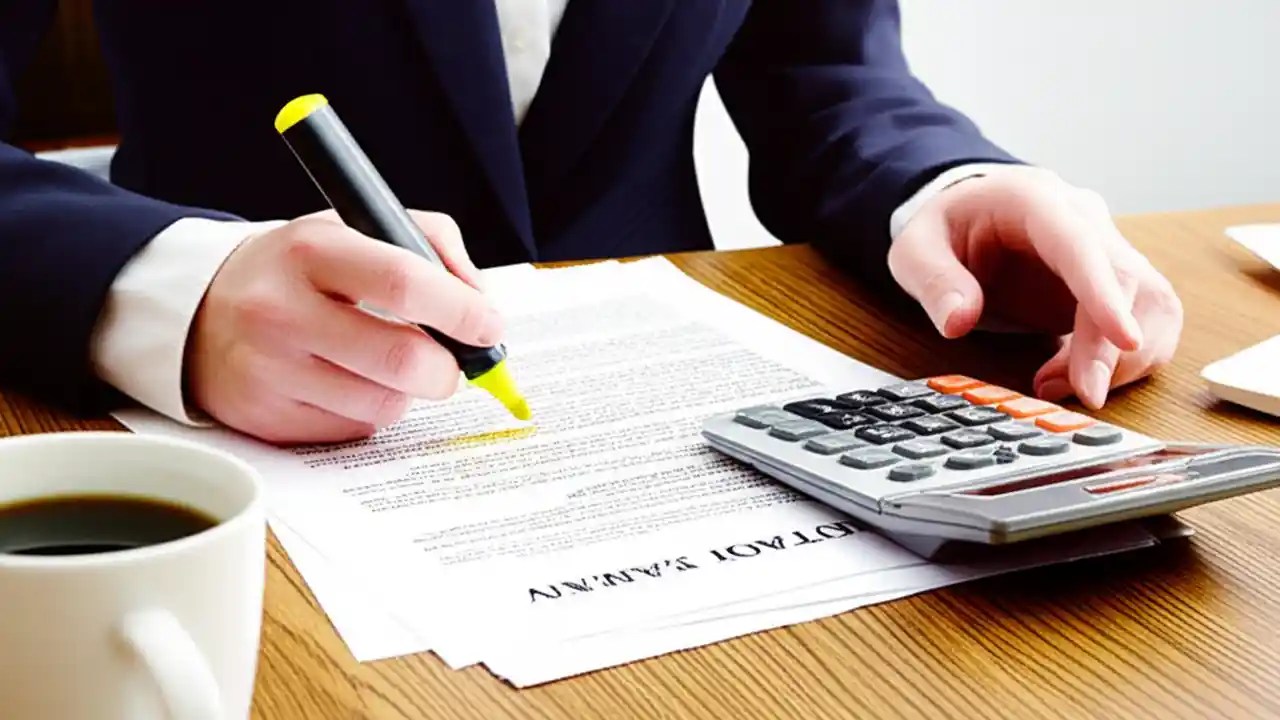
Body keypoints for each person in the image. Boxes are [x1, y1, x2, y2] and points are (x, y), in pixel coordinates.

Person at [0, 1, 1181, 445]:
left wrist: (950, 190)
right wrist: (170, 285)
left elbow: (825, 69)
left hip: (669, 409)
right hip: (215, 449)